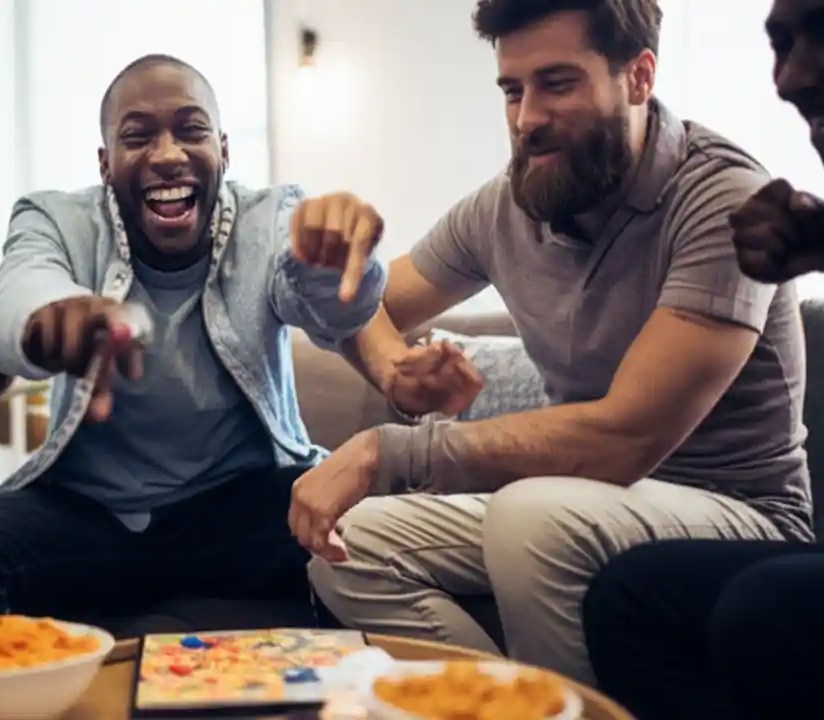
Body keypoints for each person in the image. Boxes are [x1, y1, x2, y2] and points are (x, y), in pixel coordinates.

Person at [293, 0, 810, 686]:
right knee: (352, 546)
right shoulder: (508, 203)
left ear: (638, 77)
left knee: (533, 517)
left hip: (738, 514)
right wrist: (388, 362)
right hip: (583, 501)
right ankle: (500, 701)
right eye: (513, 89)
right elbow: (361, 307)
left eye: (557, 83)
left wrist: (390, 451)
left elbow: (625, 438)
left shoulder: (719, 198)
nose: (526, 118)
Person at [0, 54, 388, 625]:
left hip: (239, 509)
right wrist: (52, 318)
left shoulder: (270, 217)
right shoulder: (57, 219)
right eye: (138, 137)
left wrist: (337, 262)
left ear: (224, 150)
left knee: (369, 531)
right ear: (106, 162)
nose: (167, 156)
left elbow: (332, 306)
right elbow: (12, 306)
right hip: (85, 516)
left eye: (191, 130)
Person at [582, 1, 824, 717]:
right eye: (780, 44)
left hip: (761, 514)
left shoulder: (711, 184)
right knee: (634, 594)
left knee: (766, 606)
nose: (790, 76)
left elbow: (625, 432)